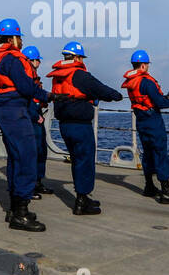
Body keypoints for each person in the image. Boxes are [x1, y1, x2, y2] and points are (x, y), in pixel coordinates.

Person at [0, 19, 54, 231]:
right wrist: (48, 95)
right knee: (26, 157)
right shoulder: (13, 59)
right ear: (13, 38)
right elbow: (25, 86)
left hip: (8, 109)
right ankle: (20, 214)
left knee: (16, 157)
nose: (22, 41)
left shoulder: (3, 59)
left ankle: (16, 209)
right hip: (15, 110)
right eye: (20, 37)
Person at [48, 41, 123, 214]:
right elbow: (100, 89)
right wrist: (116, 96)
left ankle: (82, 196)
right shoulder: (79, 74)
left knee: (76, 160)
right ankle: (81, 201)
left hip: (64, 125)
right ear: (76, 57)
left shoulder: (58, 75)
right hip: (80, 126)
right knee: (85, 161)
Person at [121, 49, 169, 205]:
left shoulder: (131, 82)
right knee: (160, 153)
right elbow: (160, 103)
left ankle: (149, 186)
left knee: (148, 153)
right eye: (147, 64)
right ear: (143, 65)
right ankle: (166, 192)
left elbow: (145, 99)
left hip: (141, 120)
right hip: (153, 120)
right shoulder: (146, 81)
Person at [22, 45, 49, 198]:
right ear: (33, 60)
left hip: (36, 114)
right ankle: (29, 186)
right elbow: (26, 99)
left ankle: (38, 182)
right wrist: (35, 114)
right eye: (38, 60)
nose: (39, 62)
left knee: (40, 151)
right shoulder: (26, 77)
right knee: (32, 152)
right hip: (31, 117)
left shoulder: (33, 76)